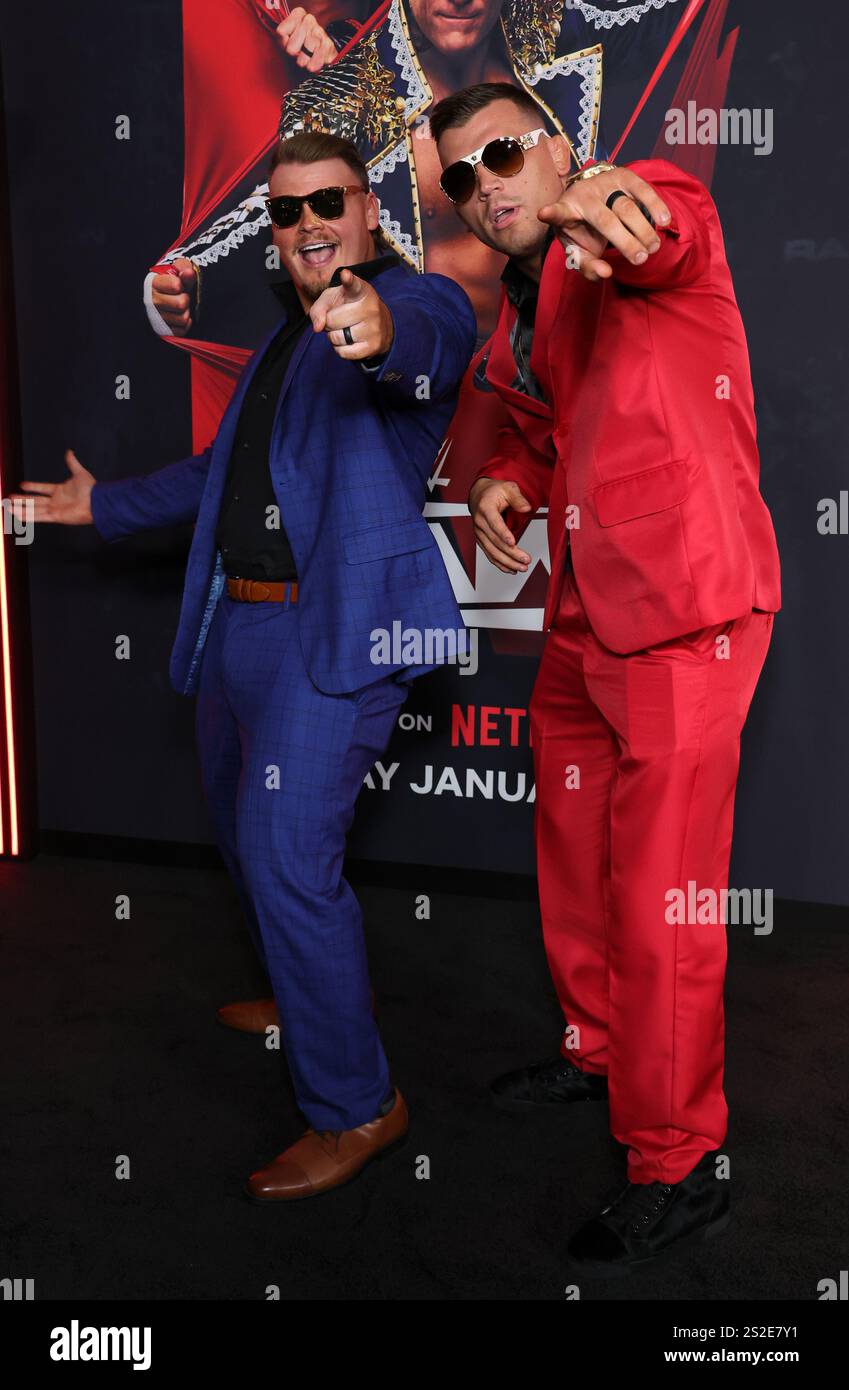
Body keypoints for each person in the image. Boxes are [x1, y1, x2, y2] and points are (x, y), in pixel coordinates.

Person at [9, 131, 478, 1202]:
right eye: (285, 211)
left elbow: (427, 340)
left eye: (328, 202)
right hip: (241, 627)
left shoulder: (417, 300)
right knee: (237, 822)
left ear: (369, 210)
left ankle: (359, 1105)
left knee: (282, 856)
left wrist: (376, 330)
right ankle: (298, 987)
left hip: (337, 632)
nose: (307, 223)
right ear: (270, 232)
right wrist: (101, 506)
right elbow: (220, 472)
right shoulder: (280, 346)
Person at [429, 80, 781, 1273]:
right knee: (575, 858)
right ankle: (595, 1048)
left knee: (662, 900)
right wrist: (502, 474)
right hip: (582, 611)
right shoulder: (525, 311)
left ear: (563, 145)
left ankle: (681, 1159)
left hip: (685, 613)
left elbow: (663, 224)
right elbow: (545, 420)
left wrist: (621, 207)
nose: (488, 186)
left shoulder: (632, 219)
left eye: (507, 154)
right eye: (464, 179)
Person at [150, 0, 690, 345]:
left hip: (579, 351)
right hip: (431, 389)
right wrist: (187, 279)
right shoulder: (347, 96)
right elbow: (267, 212)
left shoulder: (553, 24)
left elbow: (676, 13)